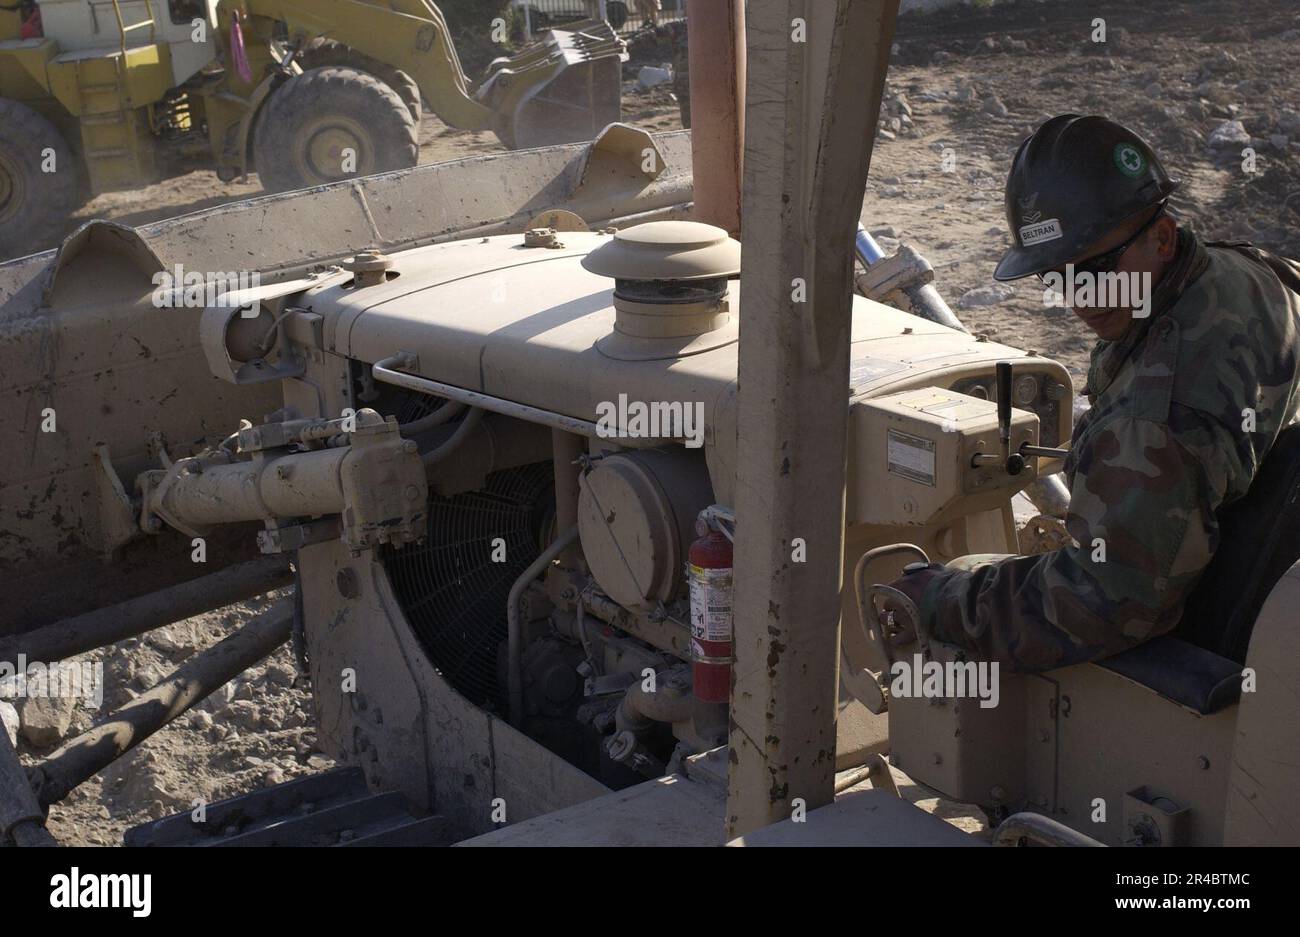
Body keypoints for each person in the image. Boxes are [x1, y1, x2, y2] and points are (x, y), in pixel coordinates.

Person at [883, 114, 1300, 672]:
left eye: (1097, 267)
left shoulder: (1155, 419)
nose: (1080, 296)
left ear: (1163, 235)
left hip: (1204, 660)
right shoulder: (1253, 274)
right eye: (1057, 275)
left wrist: (940, 597)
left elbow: (1100, 606)